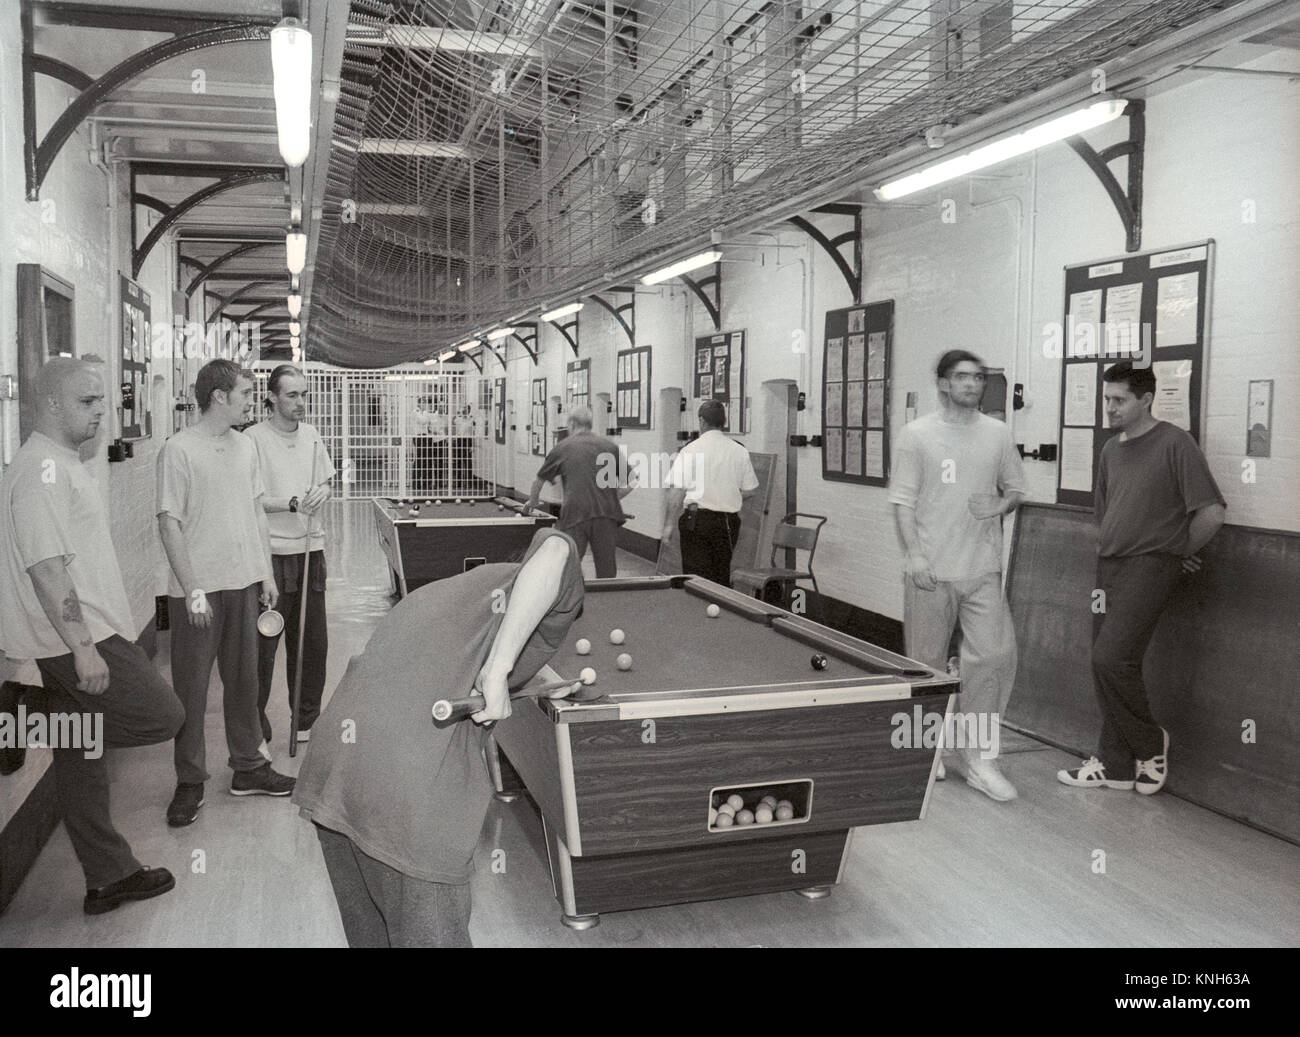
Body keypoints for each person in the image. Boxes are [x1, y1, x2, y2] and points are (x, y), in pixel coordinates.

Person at [293, 528, 585, 947]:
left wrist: (526, 676)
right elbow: (557, 547)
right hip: (405, 797)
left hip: (333, 774)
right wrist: (500, 669)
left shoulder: (457, 594)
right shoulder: (547, 580)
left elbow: (439, 667)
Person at [0, 358, 184, 914]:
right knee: (162, 714)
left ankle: (109, 876)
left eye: (103, 401)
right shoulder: (40, 472)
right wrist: (83, 648)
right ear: (52, 404)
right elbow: (46, 567)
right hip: (78, 640)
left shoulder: (60, 463)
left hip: (74, 638)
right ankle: (25, 708)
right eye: (88, 402)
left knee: (81, 755)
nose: (102, 412)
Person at [1058, 361, 1225, 795]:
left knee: (1111, 659)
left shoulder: (1175, 443)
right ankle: (1115, 765)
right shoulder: (1111, 449)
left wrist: (1176, 551)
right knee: (1103, 663)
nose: (1109, 408)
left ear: (1146, 399)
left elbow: (1211, 511)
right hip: (1108, 568)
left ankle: (1152, 744)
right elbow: (1107, 511)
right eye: (1106, 399)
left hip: (1150, 568)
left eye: (1119, 400)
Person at [156, 359, 295, 828]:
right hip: (198, 590)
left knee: (245, 684)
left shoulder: (245, 447)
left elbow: (255, 511)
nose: (251, 402)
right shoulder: (178, 450)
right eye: (245, 394)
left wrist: (266, 573)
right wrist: (191, 587)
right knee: (191, 691)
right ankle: (190, 779)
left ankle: (249, 768)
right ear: (218, 396)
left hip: (243, 582)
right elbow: (169, 522)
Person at [889, 350, 1025, 802]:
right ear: (943, 384)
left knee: (992, 658)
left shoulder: (998, 434)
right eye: (963, 377)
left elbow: (1016, 488)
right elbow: (903, 502)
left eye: (978, 377)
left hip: (982, 568)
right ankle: (926, 752)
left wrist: (1002, 504)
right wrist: (915, 556)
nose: (972, 384)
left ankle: (980, 759)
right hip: (931, 569)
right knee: (925, 663)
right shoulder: (917, 435)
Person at [244, 365, 336, 744]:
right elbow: (251, 500)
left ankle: (306, 720)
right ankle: (255, 729)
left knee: (313, 645)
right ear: (272, 398)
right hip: (271, 558)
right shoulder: (252, 440)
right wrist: (293, 502)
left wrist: (323, 493)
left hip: (311, 551)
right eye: (292, 396)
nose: (301, 403)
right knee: (263, 649)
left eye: (304, 395)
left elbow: (326, 482)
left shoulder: (312, 436)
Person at [525, 405, 631, 577]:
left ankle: (570, 600)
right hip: (607, 515)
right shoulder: (609, 446)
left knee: (568, 566)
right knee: (607, 571)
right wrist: (611, 497)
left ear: (572, 424)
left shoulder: (563, 447)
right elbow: (631, 482)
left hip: (575, 513)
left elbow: (538, 481)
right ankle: (609, 601)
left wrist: (533, 502)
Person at [661, 400, 759, 587]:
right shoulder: (739, 451)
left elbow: (676, 492)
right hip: (727, 523)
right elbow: (751, 490)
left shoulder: (690, 450)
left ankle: (695, 614)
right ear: (723, 422)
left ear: (702, 421)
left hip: (696, 521)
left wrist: (668, 525)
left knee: (695, 579)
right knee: (720, 576)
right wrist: (727, 496)